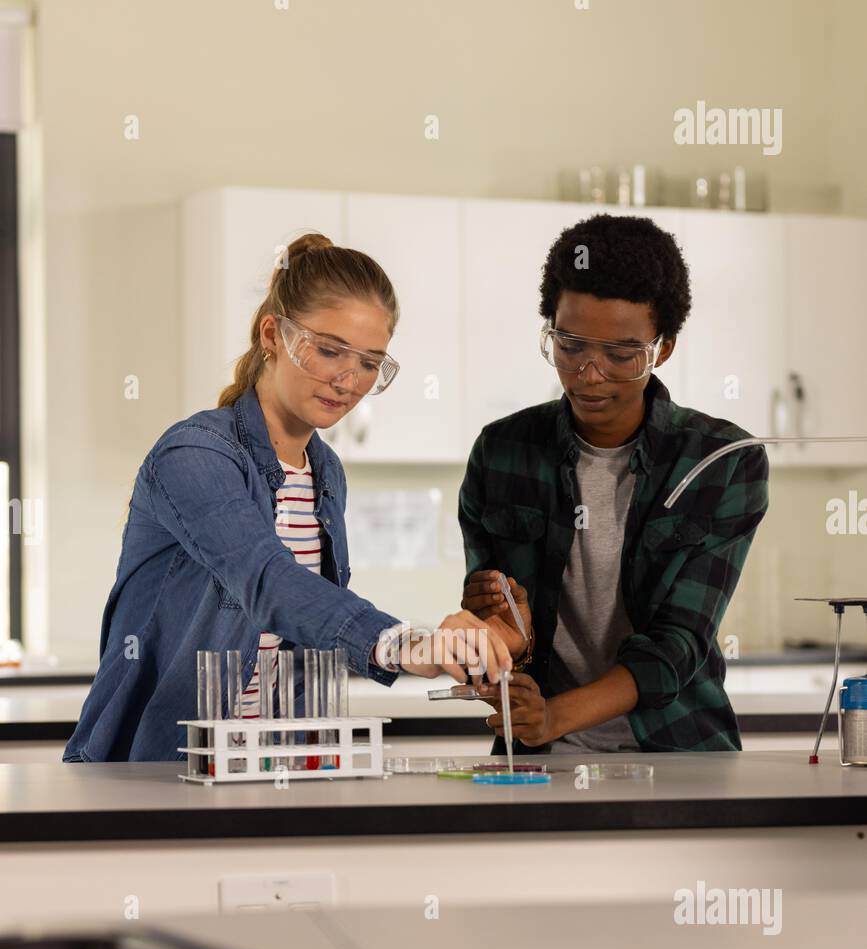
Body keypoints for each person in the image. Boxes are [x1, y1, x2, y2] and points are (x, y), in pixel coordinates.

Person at [64, 233, 510, 762]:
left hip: (272, 765)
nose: (348, 379)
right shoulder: (194, 455)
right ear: (272, 334)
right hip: (160, 769)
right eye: (328, 350)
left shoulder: (326, 472)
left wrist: (440, 643)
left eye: (370, 362)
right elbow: (268, 582)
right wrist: (403, 643)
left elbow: (306, 626)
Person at [458, 213, 769, 754]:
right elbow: (507, 638)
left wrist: (555, 715)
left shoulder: (722, 461)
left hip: (680, 753)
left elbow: (678, 645)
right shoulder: (502, 452)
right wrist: (496, 638)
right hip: (541, 758)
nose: (590, 373)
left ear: (662, 348)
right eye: (570, 345)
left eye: (622, 354)